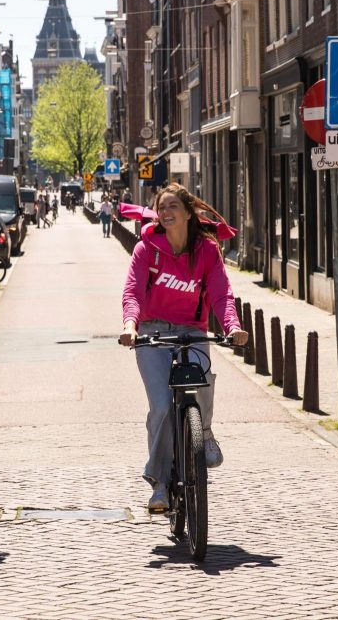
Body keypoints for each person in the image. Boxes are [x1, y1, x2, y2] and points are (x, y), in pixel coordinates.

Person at [118, 183, 248, 511]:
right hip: (151, 333)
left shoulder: (206, 250)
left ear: (188, 212)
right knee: (161, 406)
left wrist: (232, 326)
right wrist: (130, 325)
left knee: (203, 377)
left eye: (173, 206)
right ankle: (160, 484)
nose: (166, 212)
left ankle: (203, 432)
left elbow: (221, 294)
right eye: (162, 207)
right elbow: (133, 291)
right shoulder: (147, 248)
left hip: (192, 330)